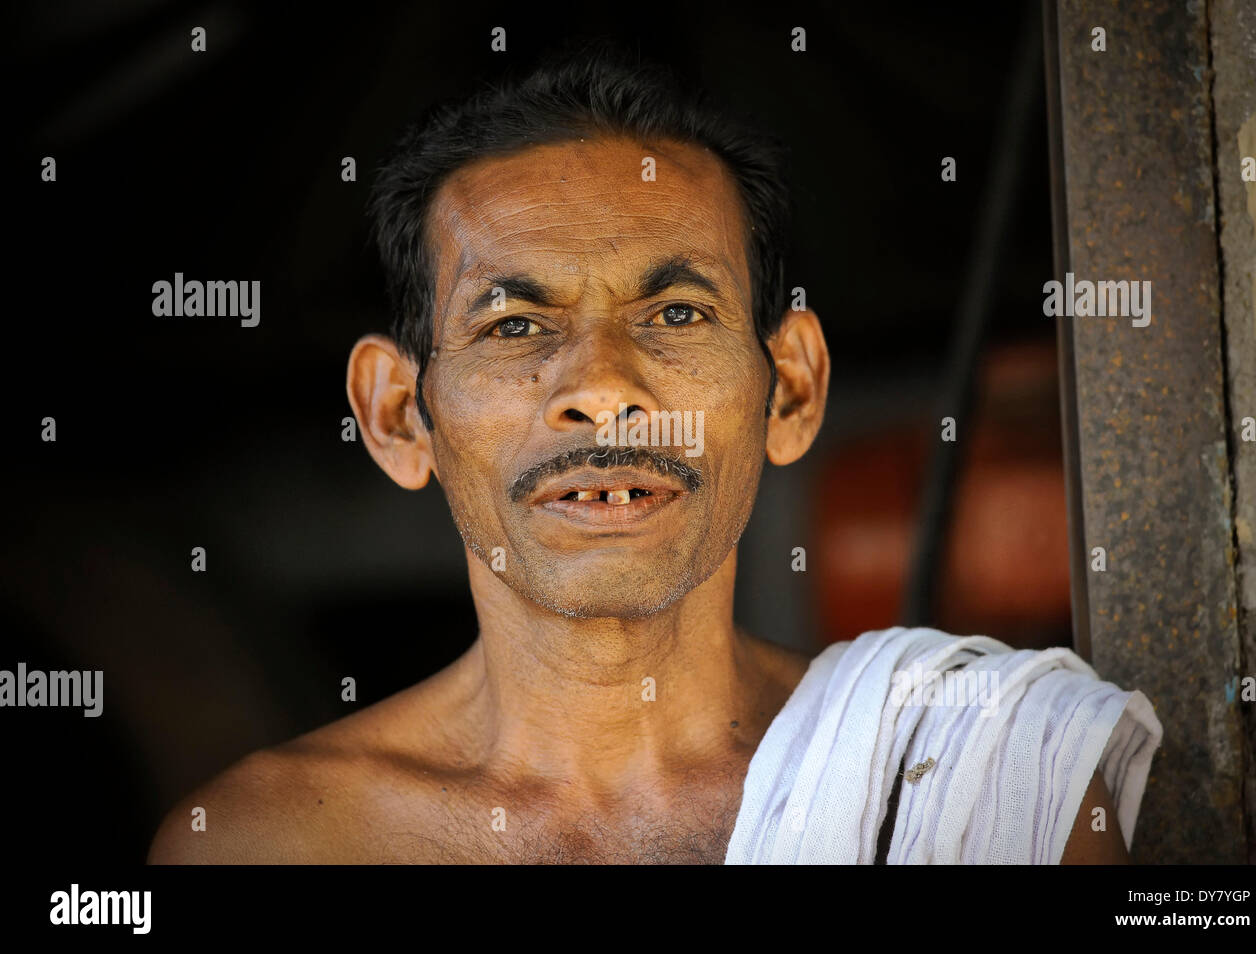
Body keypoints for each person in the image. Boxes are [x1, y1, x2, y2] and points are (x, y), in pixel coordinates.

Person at [148, 44, 1161, 865]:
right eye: (514, 326)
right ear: (399, 415)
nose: (601, 387)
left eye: (676, 312)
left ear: (790, 390)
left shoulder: (983, 786)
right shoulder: (267, 846)